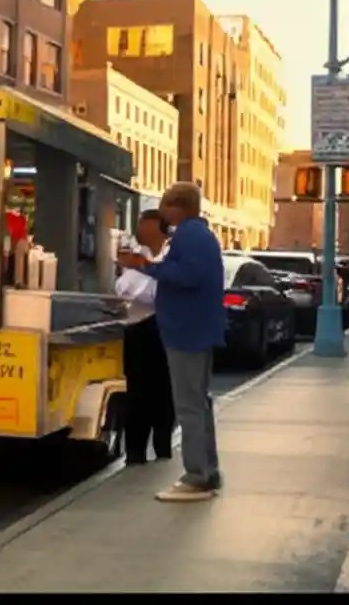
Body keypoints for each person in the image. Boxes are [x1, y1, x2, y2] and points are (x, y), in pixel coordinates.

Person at [116, 182, 225, 502]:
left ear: (176, 207)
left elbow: (186, 276)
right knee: (199, 403)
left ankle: (196, 475)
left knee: (189, 405)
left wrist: (145, 267)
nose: (162, 213)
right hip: (196, 328)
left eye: (165, 206)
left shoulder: (190, 237)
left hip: (186, 330)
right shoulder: (199, 237)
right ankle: (208, 470)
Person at [114, 210, 176, 465]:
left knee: (164, 392)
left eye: (147, 226)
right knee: (137, 392)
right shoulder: (136, 255)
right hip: (137, 328)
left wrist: (144, 279)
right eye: (140, 226)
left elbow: (157, 292)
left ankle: (163, 447)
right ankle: (135, 451)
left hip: (162, 328)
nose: (141, 231)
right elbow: (122, 288)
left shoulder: (170, 256)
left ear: (160, 230)